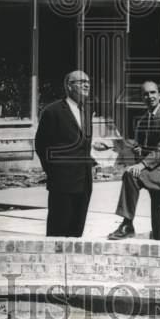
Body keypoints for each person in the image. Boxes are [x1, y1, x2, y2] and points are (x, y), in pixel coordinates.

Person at [107, 80, 160, 242]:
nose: (149, 97)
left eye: (153, 92)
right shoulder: (142, 121)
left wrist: (142, 164)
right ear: (142, 98)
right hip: (152, 170)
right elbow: (139, 148)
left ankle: (127, 224)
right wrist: (137, 152)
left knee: (131, 176)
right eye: (145, 94)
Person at [34, 69, 96, 237]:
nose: (86, 85)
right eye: (81, 82)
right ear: (69, 86)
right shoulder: (52, 111)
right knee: (58, 231)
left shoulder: (87, 111)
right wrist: (54, 172)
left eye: (88, 83)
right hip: (62, 183)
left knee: (77, 231)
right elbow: (41, 145)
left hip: (84, 182)